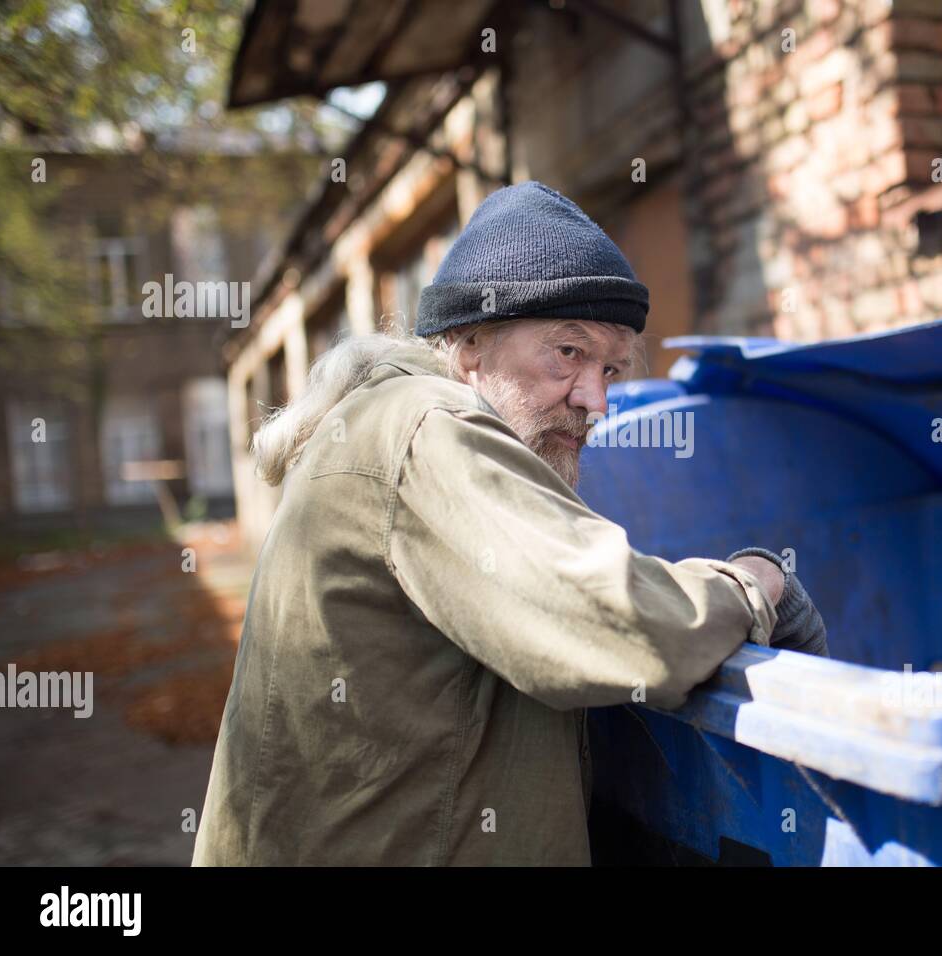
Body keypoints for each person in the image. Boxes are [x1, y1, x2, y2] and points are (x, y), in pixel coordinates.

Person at [192, 181, 826, 866]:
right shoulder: (429, 429)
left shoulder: (382, 422)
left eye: (612, 368)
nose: (596, 401)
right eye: (568, 353)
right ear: (469, 346)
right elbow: (617, 622)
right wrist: (754, 584)